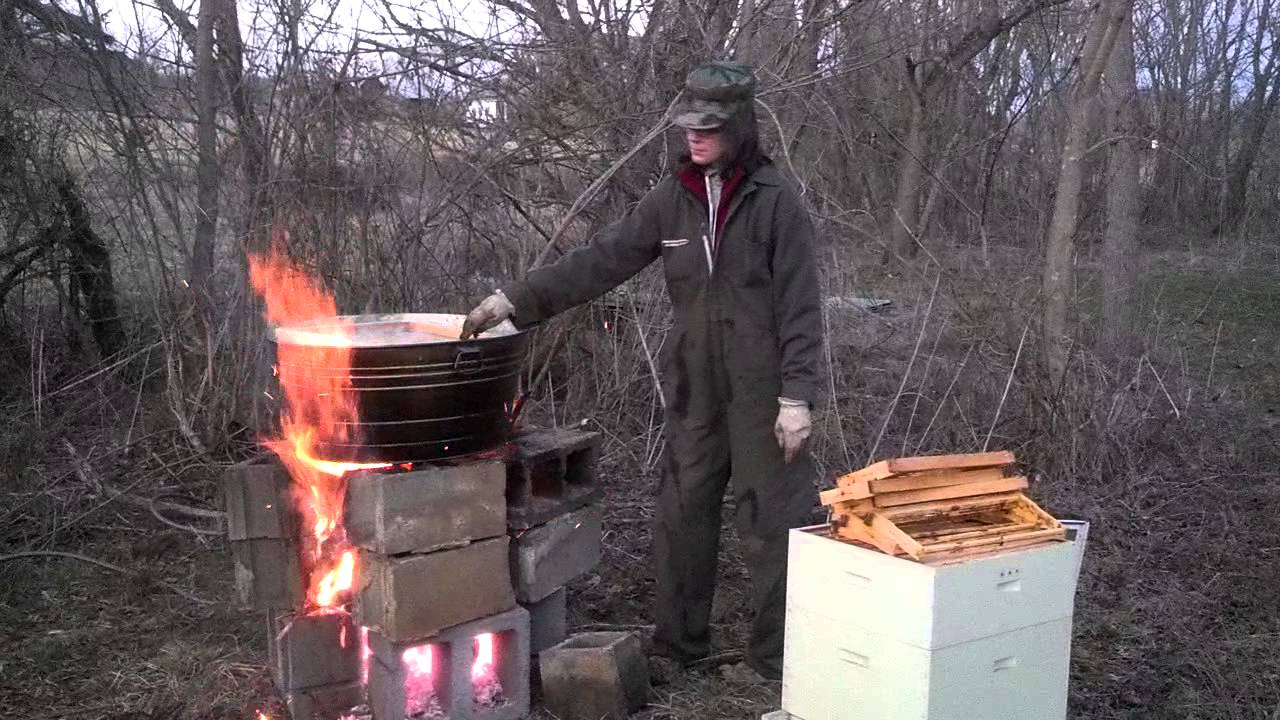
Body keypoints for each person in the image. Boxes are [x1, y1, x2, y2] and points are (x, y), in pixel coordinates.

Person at [462, 62, 822, 682]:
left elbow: (800, 305)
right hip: (694, 385)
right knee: (682, 513)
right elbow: (598, 262)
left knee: (775, 521)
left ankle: (775, 660)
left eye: (709, 128)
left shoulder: (776, 202)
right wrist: (514, 302)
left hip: (765, 391)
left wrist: (798, 397)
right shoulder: (672, 200)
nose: (695, 138)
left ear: (739, 127)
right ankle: (680, 648)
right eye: (688, 127)